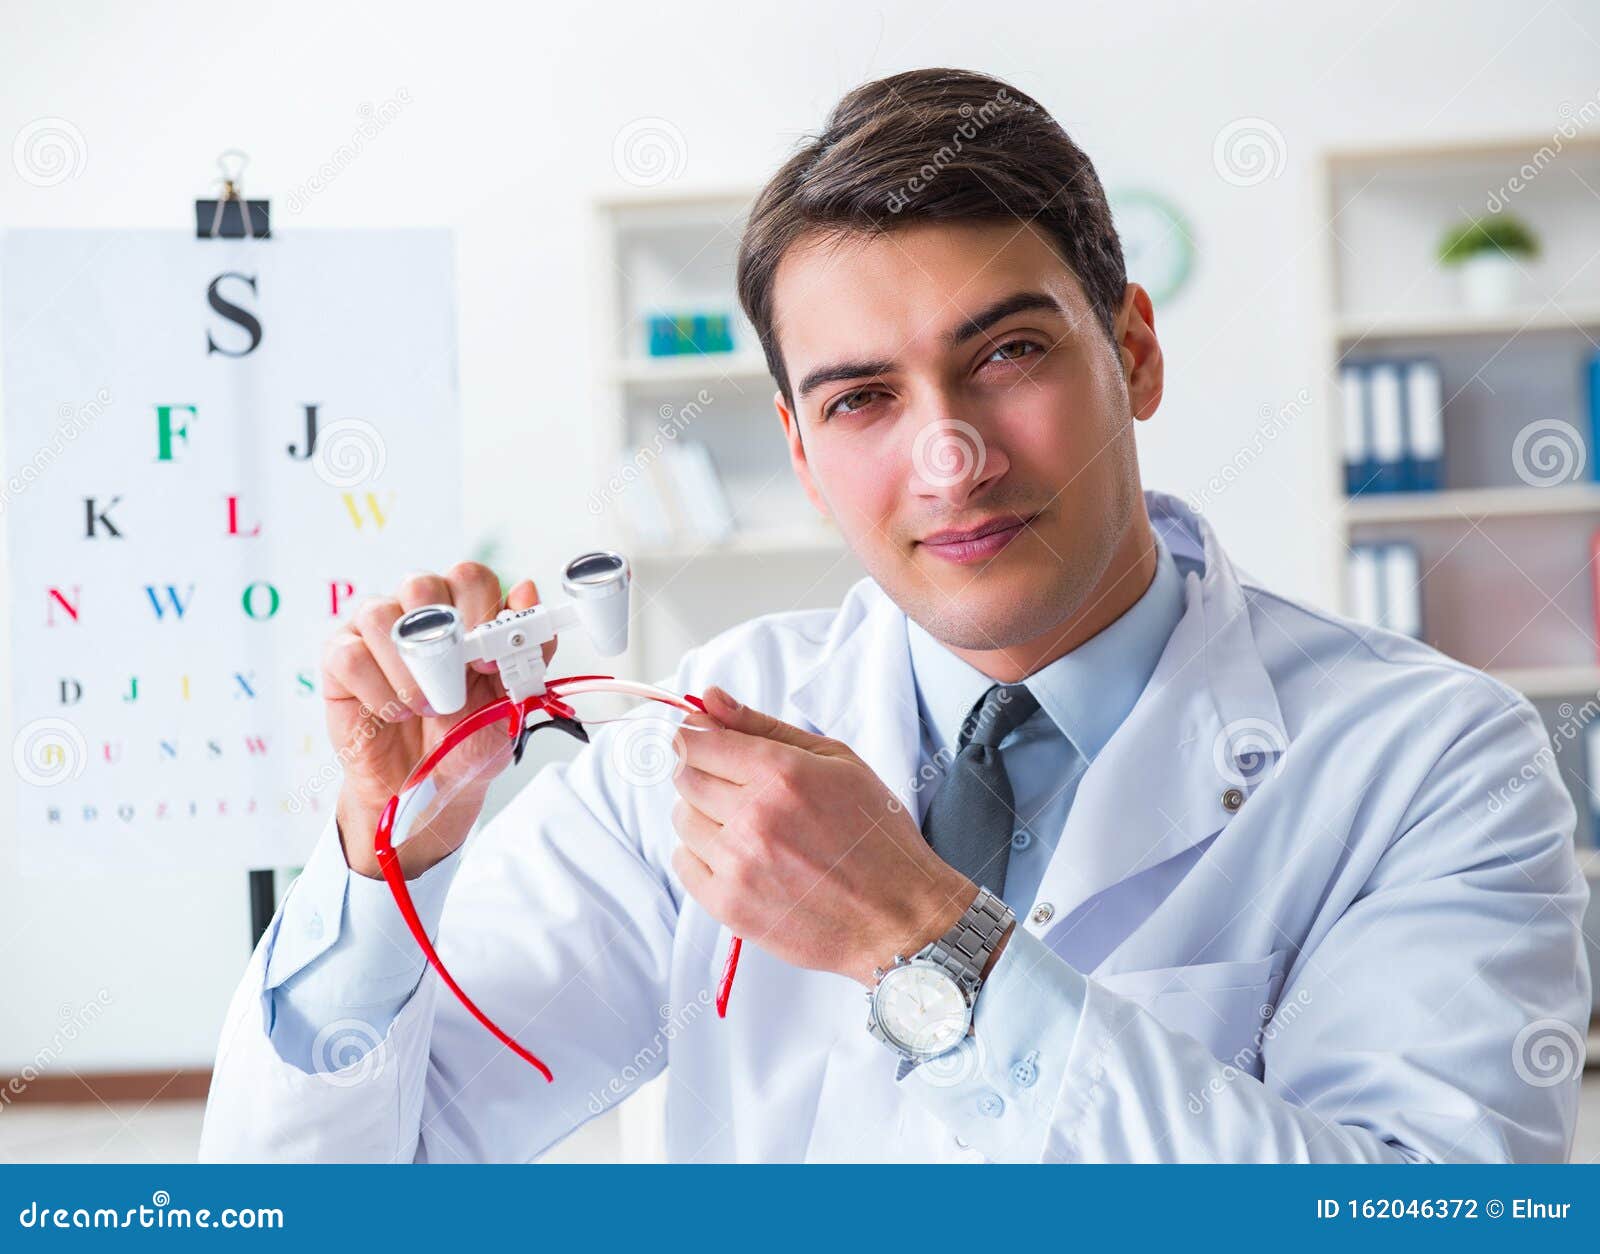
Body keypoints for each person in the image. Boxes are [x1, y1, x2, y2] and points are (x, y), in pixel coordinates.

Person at [199, 67, 1590, 1163]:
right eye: (862, 397)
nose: (949, 458)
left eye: (1009, 354)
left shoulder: (1431, 760)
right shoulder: (694, 748)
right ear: (802, 452)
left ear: (1137, 351)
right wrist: (387, 868)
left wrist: (923, 937)